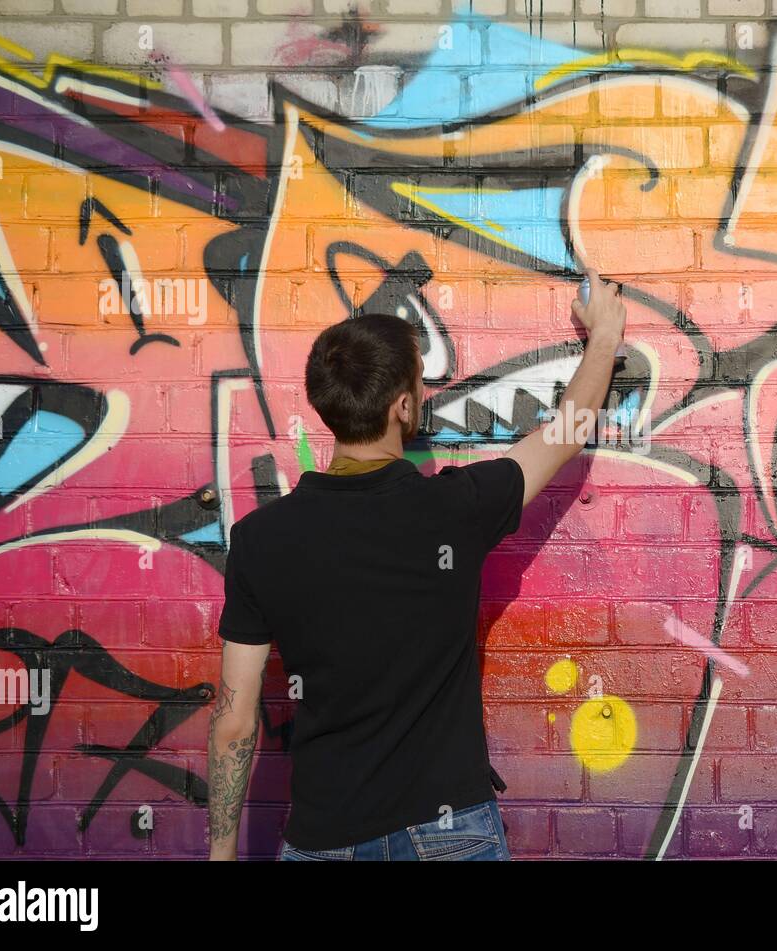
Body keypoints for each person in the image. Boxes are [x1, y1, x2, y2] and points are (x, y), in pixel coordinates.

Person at [206, 270, 627, 861]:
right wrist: (604, 339)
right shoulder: (455, 509)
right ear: (403, 405)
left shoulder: (258, 540)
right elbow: (569, 431)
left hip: (325, 839)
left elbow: (233, 724)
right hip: (451, 832)